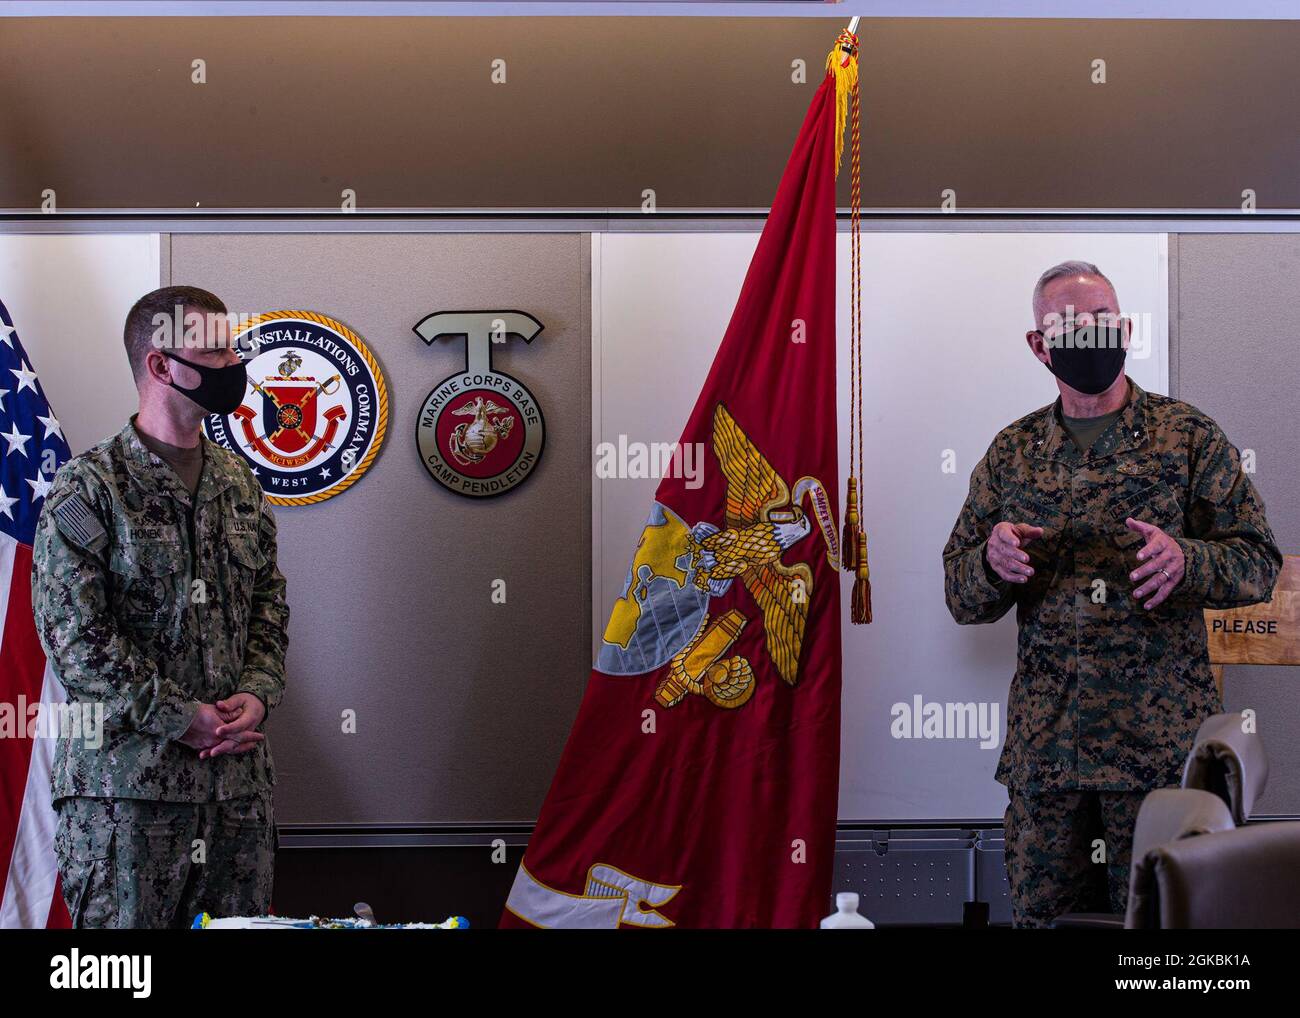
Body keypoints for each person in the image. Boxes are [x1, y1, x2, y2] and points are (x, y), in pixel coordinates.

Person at [942, 260, 1281, 928]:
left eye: (1101, 322)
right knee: (1045, 925)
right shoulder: (1012, 454)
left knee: (1160, 936)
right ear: (1040, 345)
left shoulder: (1188, 439)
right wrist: (992, 561)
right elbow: (960, 592)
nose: (1088, 335)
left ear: (1125, 329)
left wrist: (1188, 561)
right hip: (1048, 765)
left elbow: (1259, 561)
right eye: (1069, 326)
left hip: (1157, 763)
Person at [32, 285, 289, 928]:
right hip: (128, 801)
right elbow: (77, 642)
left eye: (232, 347)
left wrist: (257, 692)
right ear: (160, 365)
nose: (233, 363)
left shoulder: (239, 485)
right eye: (214, 350)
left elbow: (269, 606)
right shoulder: (90, 488)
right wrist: (182, 717)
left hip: (236, 795)